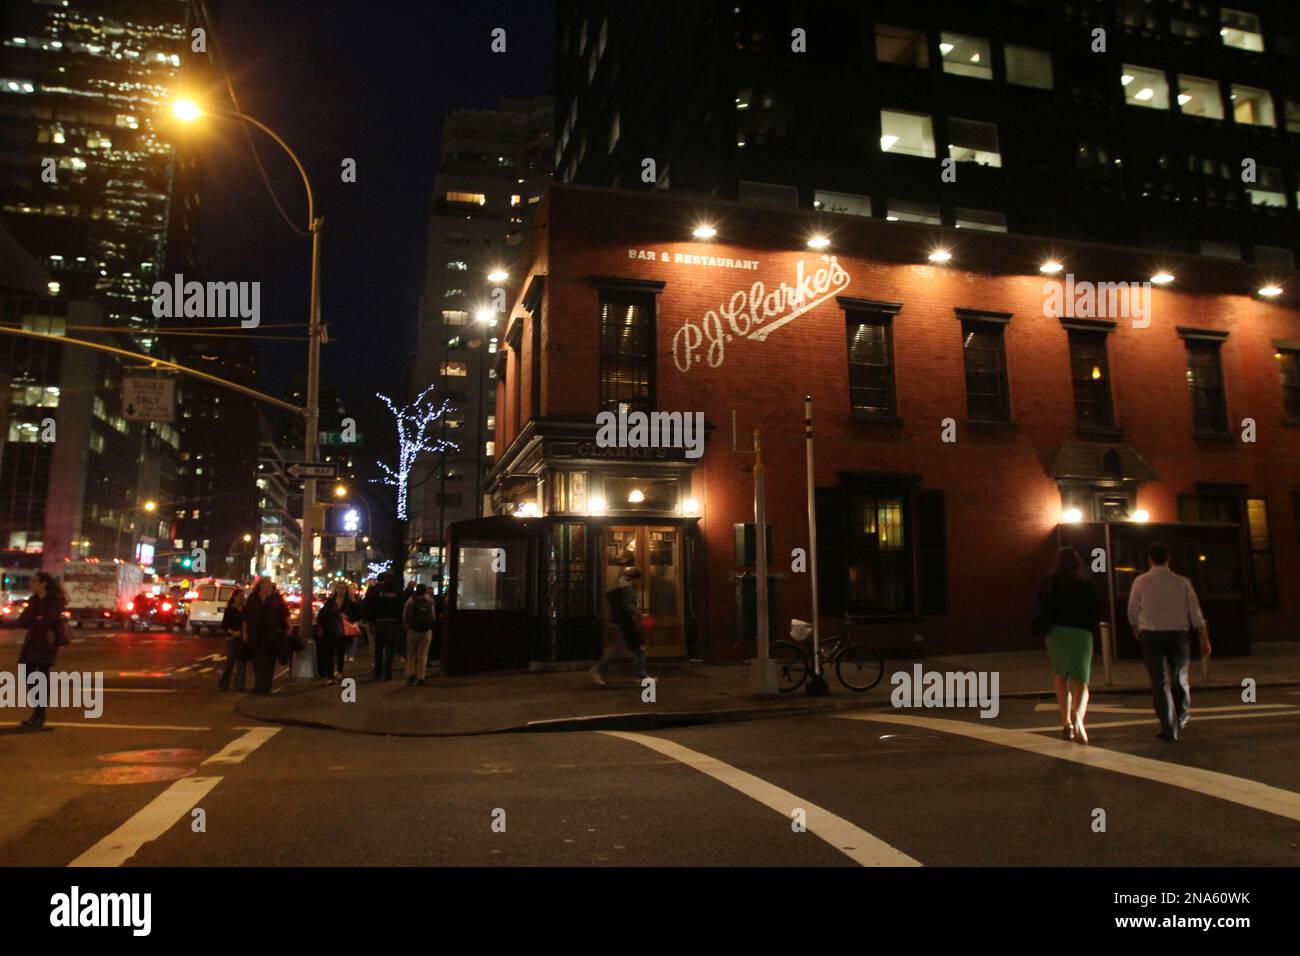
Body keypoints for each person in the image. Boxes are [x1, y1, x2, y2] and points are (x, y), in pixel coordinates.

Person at [1127, 542, 1211, 742]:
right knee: (1179, 677)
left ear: (1150, 559)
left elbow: (1132, 608)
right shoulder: (1182, 582)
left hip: (1151, 634)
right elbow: (1195, 610)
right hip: (1178, 635)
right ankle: (1181, 717)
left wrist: (1135, 627)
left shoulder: (1141, 581)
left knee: (1159, 681)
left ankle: (1167, 724)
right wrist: (1203, 635)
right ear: (1168, 558)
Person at [1033, 547, 1100, 743]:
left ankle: (1066, 723)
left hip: (1056, 633)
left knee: (1061, 676)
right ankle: (1078, 715)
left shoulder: (1050, 581)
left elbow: (1040, 603)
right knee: (1081, 680)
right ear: (1077, 562)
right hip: (1081, 633)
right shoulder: (1084, 583)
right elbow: (1094, 609)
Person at [15, 572, 68, 729]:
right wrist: (36, 616)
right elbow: (22, 621)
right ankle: (36, 713)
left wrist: (37, 617)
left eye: (34, 581)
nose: (31, 583)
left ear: (43, 583)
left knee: (41, 678)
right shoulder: (34, 600)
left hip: (46, 642)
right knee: (28, 677)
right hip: (32, 641)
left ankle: (40, 714)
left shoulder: (54, 600)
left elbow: (48, 619)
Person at [590, 566, 647, 685]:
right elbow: (628, 605)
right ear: (636, 579)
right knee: (625, 650)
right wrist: (640, 613)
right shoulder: (628, 588)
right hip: (625, 622)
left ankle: (642, 675)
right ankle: (597, 670)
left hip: (621, 621)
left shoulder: (620, 584)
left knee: (635, 648)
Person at [244, 576, 290, 695]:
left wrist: (288, 626)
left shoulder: (275, 598)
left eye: (270, 583)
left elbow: (285, 613)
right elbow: (246, 616)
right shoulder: (253, 598)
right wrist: (245, 633)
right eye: (266, 583)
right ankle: (258, 684)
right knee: (257, 660)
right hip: (255, 632)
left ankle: (267, 685)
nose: (269, 585)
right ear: (260, 584)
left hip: (271, 633)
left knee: (269, 660)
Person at [367, 572, 404, 681]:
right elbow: (400, 608)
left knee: (378, 648)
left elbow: (371, 606)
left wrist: (370, 620)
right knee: (390, 649)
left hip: (379, 622)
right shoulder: (397, 592)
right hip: (392, 623)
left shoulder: (376, 591)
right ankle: (387, 673)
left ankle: (377, 672)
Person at [401, 583, 436, 685]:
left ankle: (411, 674)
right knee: (423, 654)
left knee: (411, 653)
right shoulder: (430, 600)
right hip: (426, 631)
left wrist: (407, 626)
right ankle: (421, 677)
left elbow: (405, 615)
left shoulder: (411, 600)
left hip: (413, 630)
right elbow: (433, 617)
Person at [315, 581, 350, 684]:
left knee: (340, 652)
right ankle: (330, 676)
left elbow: (357, 614)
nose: (341, 590)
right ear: (336, 589)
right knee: (329, 653)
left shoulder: (348, 602)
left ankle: (339, 671)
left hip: (342, 630)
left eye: (343, 588)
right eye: (339, 588)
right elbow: (322, 614)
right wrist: (320, 627)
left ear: (345, 590)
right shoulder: (330, 601)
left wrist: (348, 617)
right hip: (330, 629)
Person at [217, 587, 248, 691]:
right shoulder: (230, 610)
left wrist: (244, 633)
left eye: (243, 596)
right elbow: (224, 625)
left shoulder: (244, 609)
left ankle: (239, 685)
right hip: (232, 638)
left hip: (242, 639)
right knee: (230, 662)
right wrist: (234, 632)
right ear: (234, 597)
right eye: (240, 596)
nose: (242, 598)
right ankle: (224, 684)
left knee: (241, 662)